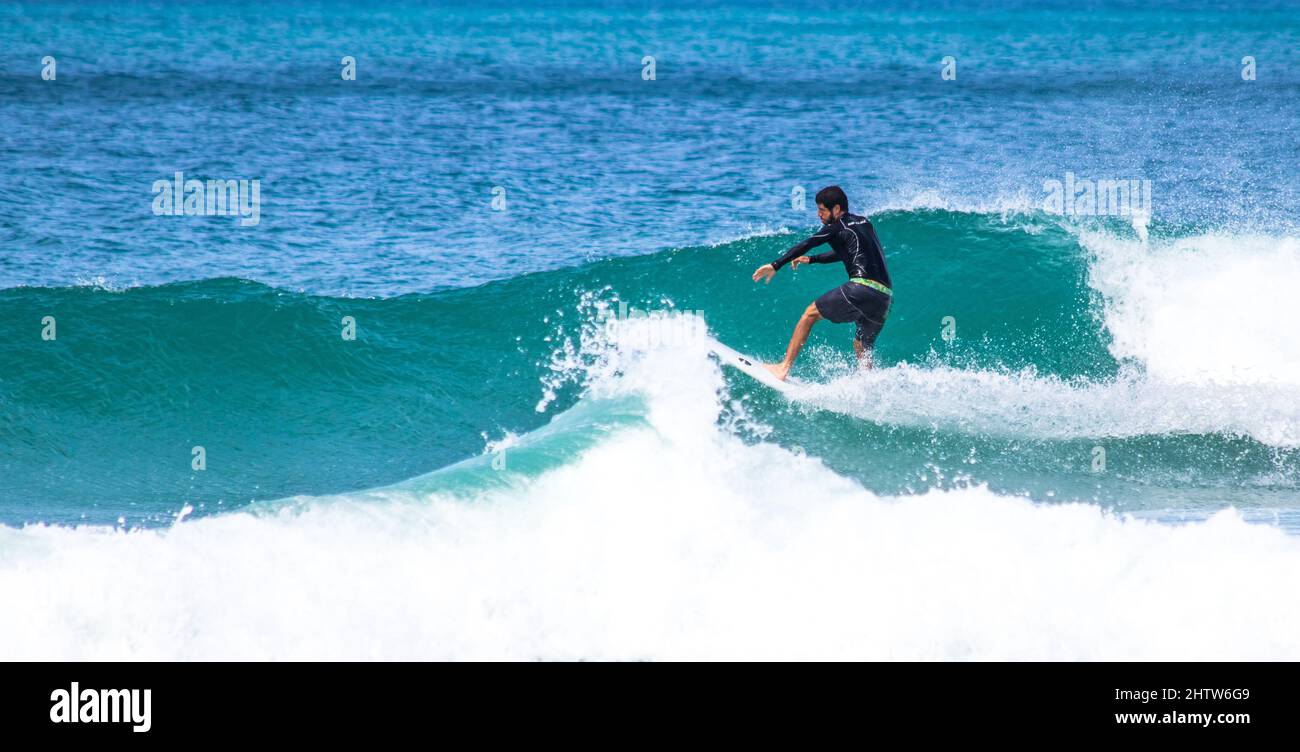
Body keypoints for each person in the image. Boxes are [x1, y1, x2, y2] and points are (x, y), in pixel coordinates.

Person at [751, 186, 892, 380]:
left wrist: (776, 265)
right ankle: (869, 385)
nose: (819, 215)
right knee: (861, 345)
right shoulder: (864, 222)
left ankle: (783, 368)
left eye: (822, 210)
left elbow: (808, 243)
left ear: (836, 209)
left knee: (809, 314)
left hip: (862, 288)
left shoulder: (836, 227)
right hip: (884, 297)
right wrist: (813, 259)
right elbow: (848, 252)